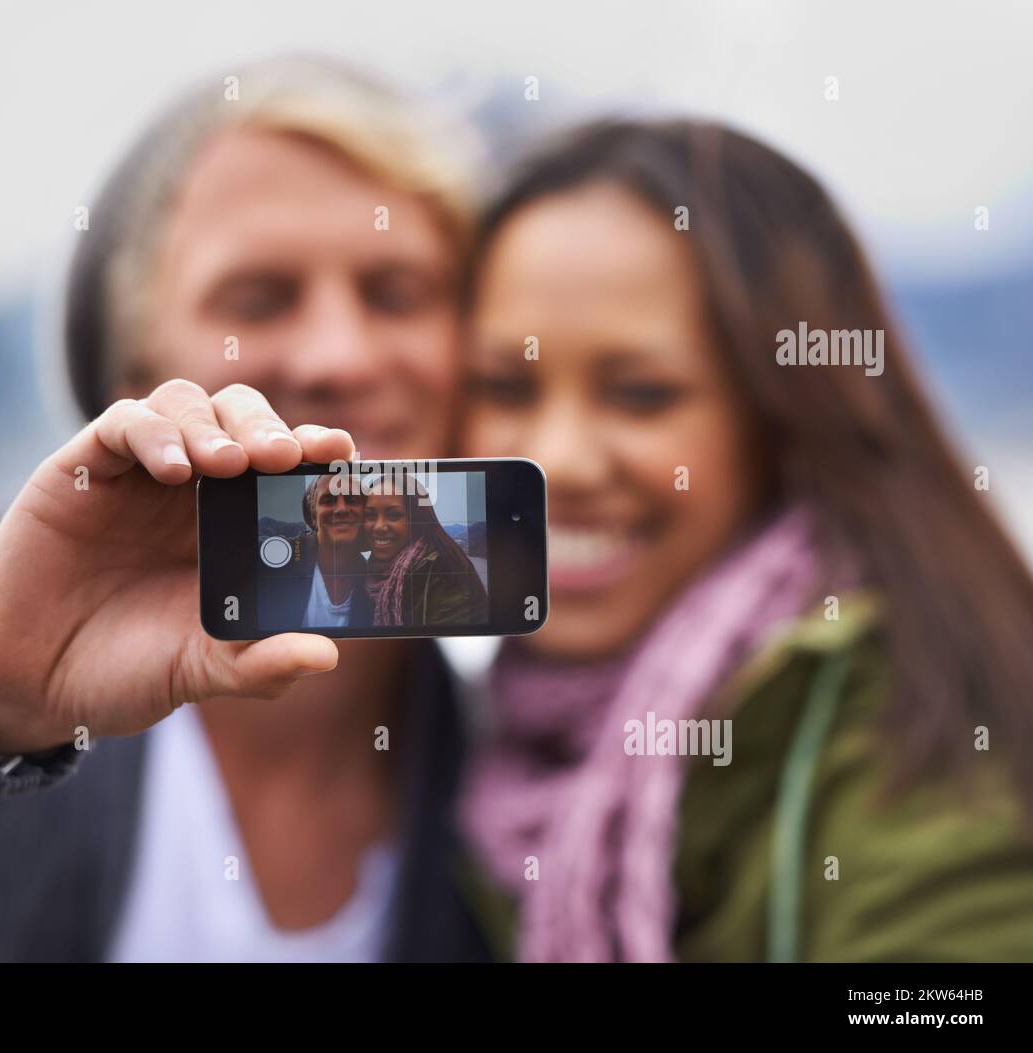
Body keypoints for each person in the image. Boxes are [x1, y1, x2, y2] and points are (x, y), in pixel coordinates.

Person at [0, 56, 493, 962]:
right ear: (132, 378)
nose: (337, 353)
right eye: (258, 297)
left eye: (397, 294)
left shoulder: (521, 767)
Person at [457, 119, 1033, 962]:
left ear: (783, 417)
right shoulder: (475, 732)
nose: (557, 461)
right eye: (505, 386)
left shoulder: (923, 749)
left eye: (641, 394)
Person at [362, 473, 488, 627]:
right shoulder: (371, 573)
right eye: (370, 515)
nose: (379, 526)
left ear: (417, 518)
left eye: (394, 515)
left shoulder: (441, 572)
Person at [258, 474, 374, 630]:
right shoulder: (283, 556)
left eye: (351, 500)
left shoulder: (373, 583)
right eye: (328, 500)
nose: (341, 509)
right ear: (313, 515)